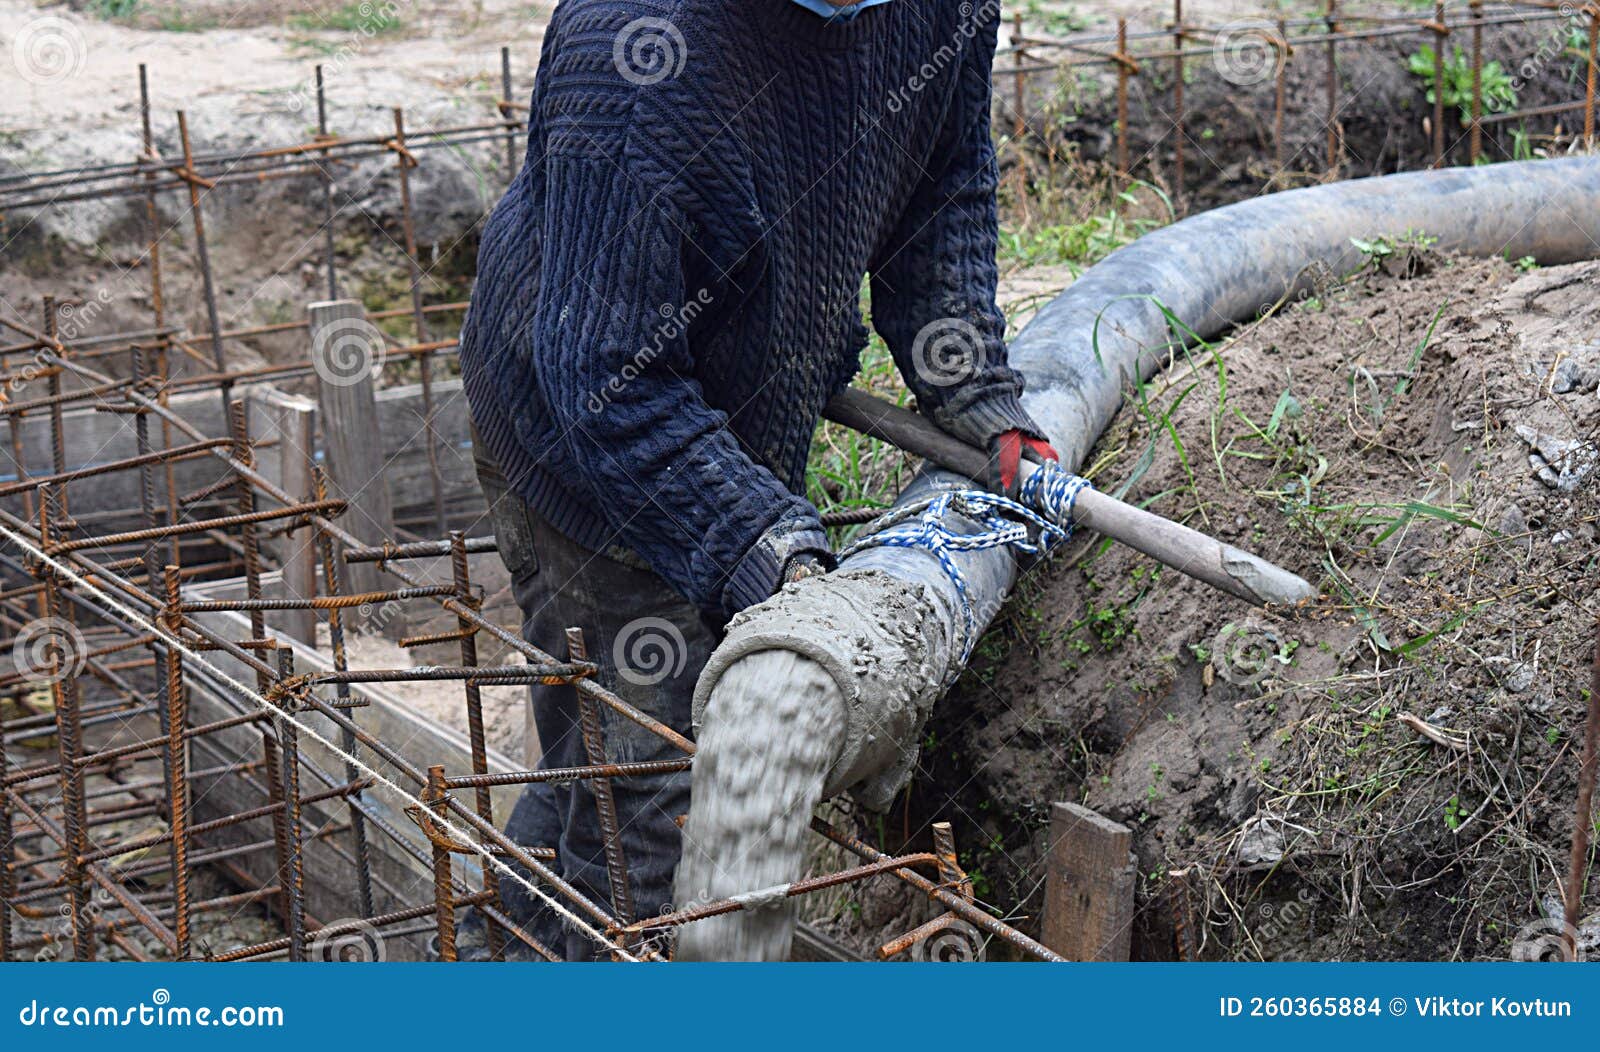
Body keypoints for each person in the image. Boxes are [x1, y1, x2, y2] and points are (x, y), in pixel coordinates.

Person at [457, 0, 1057, 960]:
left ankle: (499, 962)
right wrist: (761, 544)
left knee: (602, 759)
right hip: (581, 441)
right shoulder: (633, 51)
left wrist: (971, 382)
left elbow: (941, 186)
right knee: (655, 797)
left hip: (727, 405)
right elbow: (607, 380)